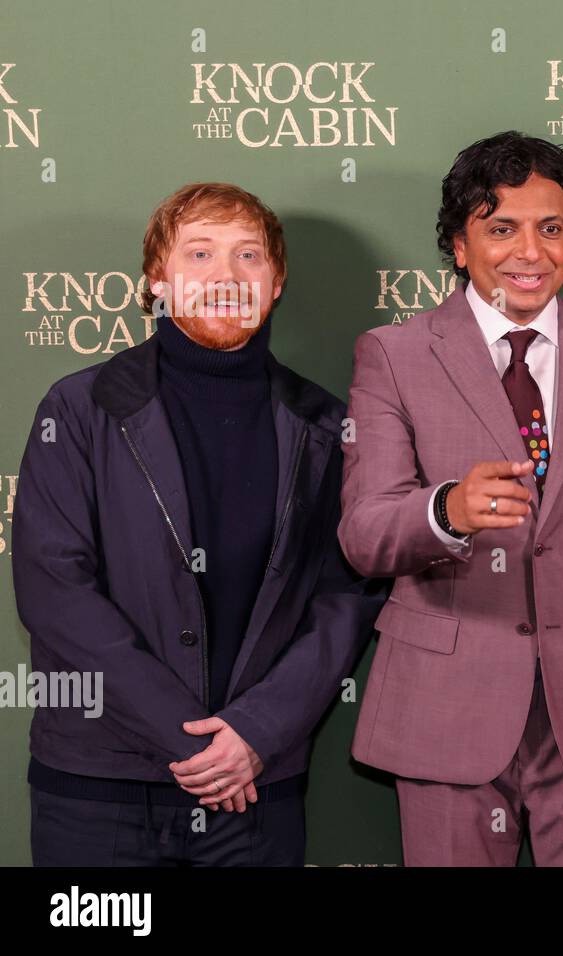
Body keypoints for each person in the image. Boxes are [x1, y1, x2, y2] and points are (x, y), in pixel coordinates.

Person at [339, 131, 563, 866]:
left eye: (551, 228)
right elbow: (365, 533)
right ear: (459, 246)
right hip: (445, 717)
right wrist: (445, 512)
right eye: (500, 228)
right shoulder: (395, 356)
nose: (528, 252)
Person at [14, 182, 386, 866]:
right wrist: (190, 738)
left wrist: (254, 731)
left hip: (255, 788)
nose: (226, 276)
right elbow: (53, 591)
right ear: (157, 280)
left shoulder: (328, 426)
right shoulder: (76, 408)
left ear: (275, 283)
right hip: (99, 787)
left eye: (248, 256)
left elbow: (347, 597)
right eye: (200, 254)